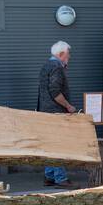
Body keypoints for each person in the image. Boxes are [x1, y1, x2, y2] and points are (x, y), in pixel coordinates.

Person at [37, 41, 76, 187]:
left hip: (44, 111)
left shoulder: (45, 66)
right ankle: (61, 178)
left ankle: (49, 176)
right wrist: (68, 106)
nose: (69, 57)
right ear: (61, 54)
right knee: (58, 145)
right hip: (55, 113)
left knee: (50, 145)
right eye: (68, 54)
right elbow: (55, 91)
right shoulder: (56, 67)